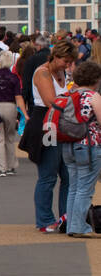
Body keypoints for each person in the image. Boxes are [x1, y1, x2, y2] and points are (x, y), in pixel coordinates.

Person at [23, 39, 77, 232]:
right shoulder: (43, 72)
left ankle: (66, 216)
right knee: (48, 175)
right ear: (56, 57)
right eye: (66, 61)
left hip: (61, 125)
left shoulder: (61, 71)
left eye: (71, 61)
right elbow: (51, 101)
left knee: (68, 175)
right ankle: (45, 220)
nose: (68, 65)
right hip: (46, 125)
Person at [57, 60, 101, 237]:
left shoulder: (68, 94)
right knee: (85, 188)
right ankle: (78, 226)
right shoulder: (93, 96)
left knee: (74, 186)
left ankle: (72, 225)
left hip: (68, 144)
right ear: (95, 79)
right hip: (89, 145)